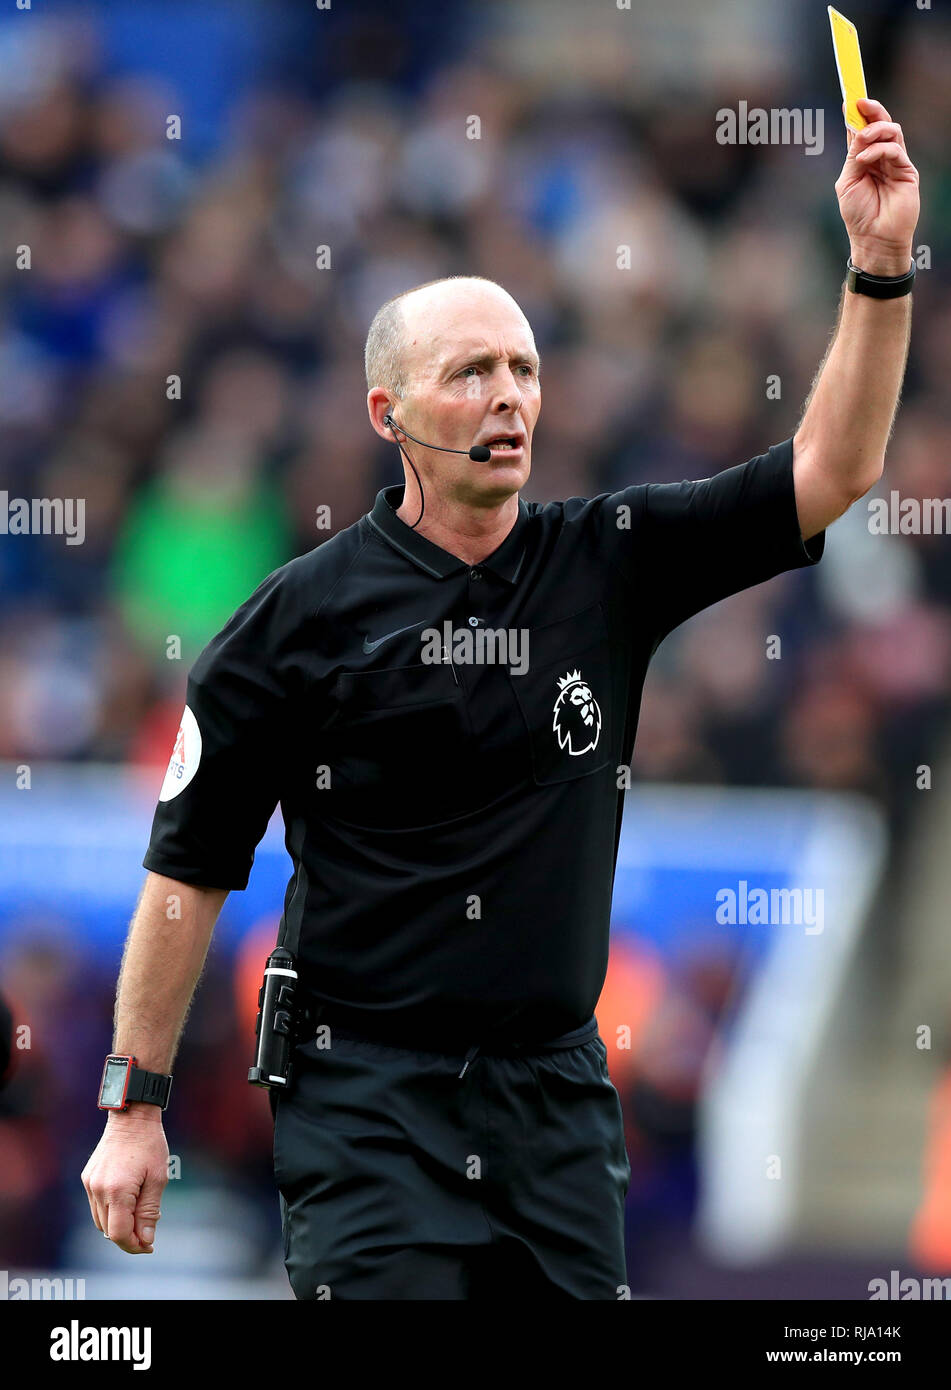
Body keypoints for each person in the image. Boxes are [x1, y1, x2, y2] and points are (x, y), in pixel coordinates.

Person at [81, 97, 919, 1299]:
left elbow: (833, 470)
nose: (510, 397)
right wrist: (134, 1106)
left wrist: (880, 270)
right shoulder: (293, 626)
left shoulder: (609, 561)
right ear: (390, 415)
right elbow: (186, 873)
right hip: (366, 1105)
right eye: (471, 373)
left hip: (557, 1106)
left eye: (525, 369)